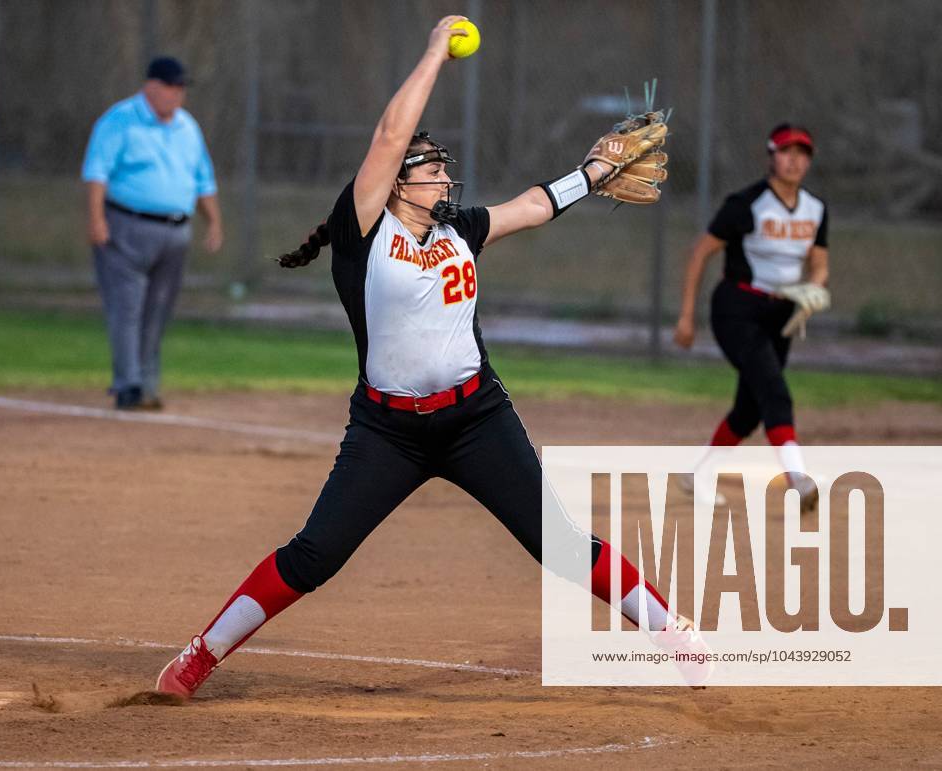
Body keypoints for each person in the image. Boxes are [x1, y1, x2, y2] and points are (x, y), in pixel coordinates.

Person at [154, 16, 706, 698]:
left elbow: (532, 206)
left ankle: (671, 631)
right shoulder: (363, 231)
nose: (447, 177)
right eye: (433, 167)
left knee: (557, 542)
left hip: (476, 417)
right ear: (394, 184)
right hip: (388, 432)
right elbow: (390, 135)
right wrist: (436, 50)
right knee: (315, 553)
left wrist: (590, 174)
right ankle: (199, 654)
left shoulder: (459, 231)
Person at [674, 123, 830, 509]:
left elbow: (820, 264)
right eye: (786, 151)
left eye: (802, 153)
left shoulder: (815, 209)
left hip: (781, 314)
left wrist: (815, 288)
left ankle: (698, 473)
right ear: (771, 156)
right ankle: (798, 478)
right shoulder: (746, 204)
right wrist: (687, 315)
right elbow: (699, 252)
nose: (794, 160)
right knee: (774, 390)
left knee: (749, 410)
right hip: (737, 309)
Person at [81, 56, 223, 410]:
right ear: (151, 86)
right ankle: (128, 385)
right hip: (126, 226)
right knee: (127, 308)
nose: (177, 95)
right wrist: (96, 219)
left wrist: (214, 222)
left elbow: (203, 180)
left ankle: (146, 384)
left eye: (181, 88)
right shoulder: (120, 120)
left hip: (175, 231)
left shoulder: (187, 127)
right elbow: (97, 171)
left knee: (157, 310)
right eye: (171, 87)